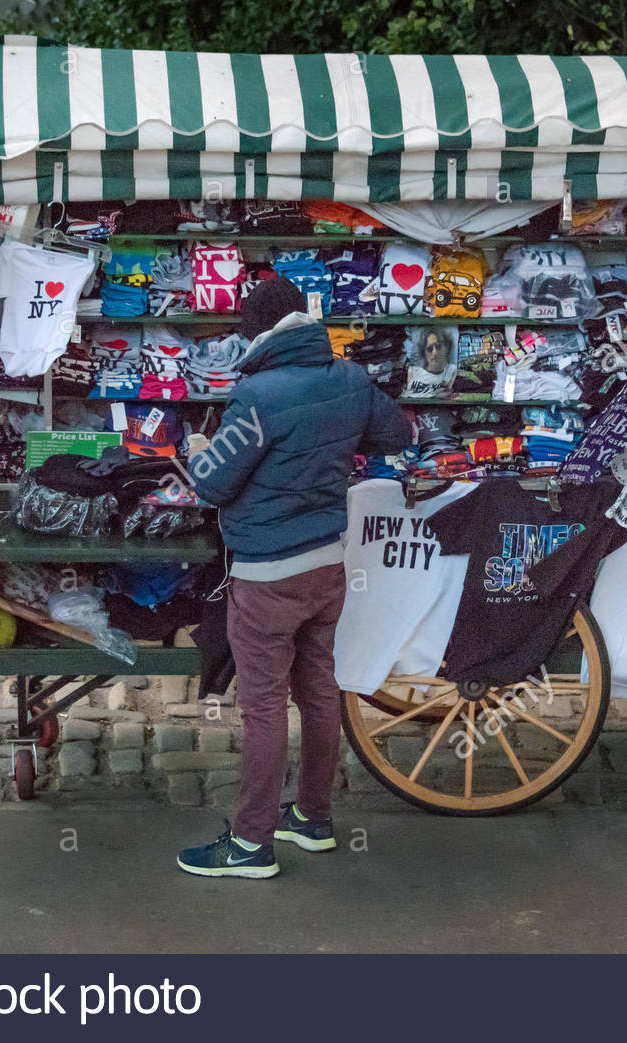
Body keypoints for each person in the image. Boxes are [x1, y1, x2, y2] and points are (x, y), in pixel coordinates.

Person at [177, 279, 413, 878]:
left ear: (255, 332)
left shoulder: (258, 396)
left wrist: (202, 448)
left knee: (262, 706)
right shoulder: (350, 378)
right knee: (319, 694)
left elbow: (211, 483)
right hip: (328, 564)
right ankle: (312, 817)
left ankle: (251, 844)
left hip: (267, 573)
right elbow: (398, 434)